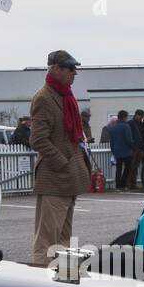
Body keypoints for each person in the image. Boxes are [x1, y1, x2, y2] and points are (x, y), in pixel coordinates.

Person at [29, 49, 90, 266]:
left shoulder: (65, 96)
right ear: (56, 69)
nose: (74, 74)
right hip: (55, 177)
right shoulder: (45, 97)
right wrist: (62, 163)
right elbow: (38, 139)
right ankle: (40, 284)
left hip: (68, 177)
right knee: (46, 242)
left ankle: (58, 281)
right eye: (70, 69)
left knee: (64, 241)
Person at [109, 110, 135, 190]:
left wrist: (113, 151)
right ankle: (123, 184)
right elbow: (129, 139)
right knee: (127, 168)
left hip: (117, 151)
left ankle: (118, 185)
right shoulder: (126, 126)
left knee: (119, 168)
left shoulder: (113, 127)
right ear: (124, 117)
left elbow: (112, 141)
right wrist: (132, 147)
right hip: (127, 151)